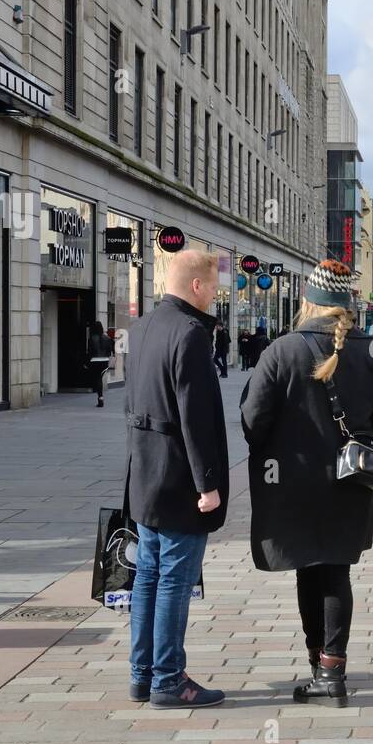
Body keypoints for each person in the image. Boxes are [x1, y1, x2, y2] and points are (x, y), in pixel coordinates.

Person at [240, 260, 373, 706]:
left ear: (309, 301)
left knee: (307, 567)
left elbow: (253, 421)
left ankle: (318, 664)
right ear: (347, 304)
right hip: (352, 479)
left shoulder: (281, 351)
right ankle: (331, 668)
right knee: (336, 569)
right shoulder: (372, 352)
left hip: (291, 481)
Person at [124, 250, 229, 708]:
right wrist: (207, 484)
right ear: (196, 287)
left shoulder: (142, 327)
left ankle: (141, 674)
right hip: (179, 478)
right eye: (214, 286)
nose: (216, 293)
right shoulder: (190, 334)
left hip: (144, 474)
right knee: (173, 580)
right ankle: (169, 679)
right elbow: (196, 417)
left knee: (147, 575)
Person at [87, 321, 114, 408]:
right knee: (100, 378)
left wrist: (87, 362)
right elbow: (111, 350)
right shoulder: (107, 338)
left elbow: (89, 352)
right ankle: (100, 397)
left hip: (94, 361)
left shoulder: (91, 338)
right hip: (104, 361)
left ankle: (100, 397)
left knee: (97, 378)